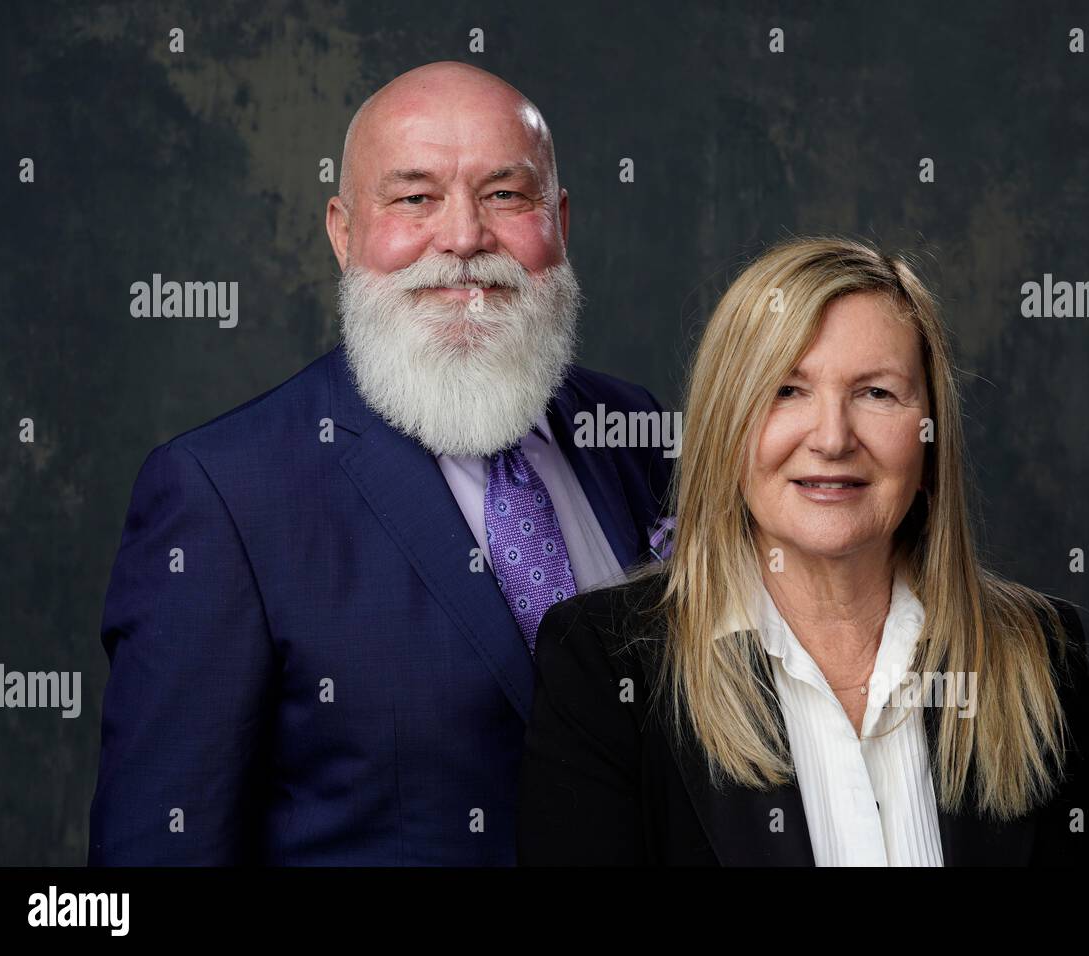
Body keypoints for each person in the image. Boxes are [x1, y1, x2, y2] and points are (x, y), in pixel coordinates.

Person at [88, 61, 673, 865]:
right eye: (413, 198)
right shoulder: (222, 495)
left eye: (506, 194)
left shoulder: (634, 432)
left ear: (560, 221)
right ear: (343, 230)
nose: (465, 238)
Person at [518, 236, 1089, 866]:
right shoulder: (604, 664)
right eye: (788, 390)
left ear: (930, 438)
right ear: (723, 428)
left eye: (876, 393)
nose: (832, 438)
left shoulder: (1039, 653)